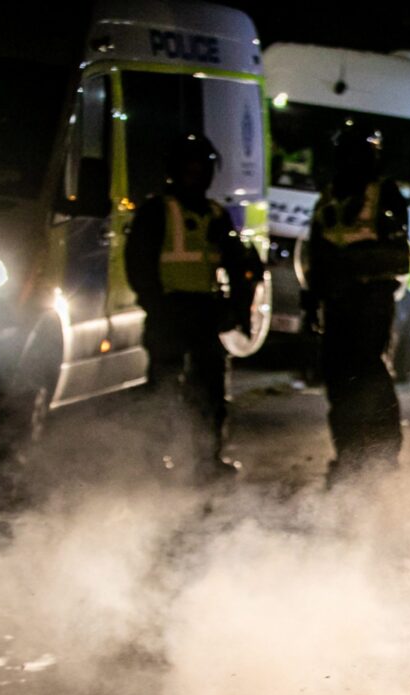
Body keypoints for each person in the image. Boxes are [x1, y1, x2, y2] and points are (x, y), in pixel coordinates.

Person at [124, 133, 260, 481]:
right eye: (190, 167)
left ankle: (206, 459)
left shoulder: (216, 215)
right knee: (163, 387)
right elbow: (138, 262)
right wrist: (155, 303)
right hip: (168, 311)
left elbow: (238, 266)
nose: (196, 174)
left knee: (210, 389)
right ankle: (154, 460)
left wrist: (236, 309)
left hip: (203, 312)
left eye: (202, 167)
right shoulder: (157, 211)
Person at [301, 125, 410, 484]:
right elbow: (316, 251)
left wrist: (353, 263)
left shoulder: (385, 195)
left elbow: (398, 257)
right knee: (339, 380)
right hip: (336, 304)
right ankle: (348, 456)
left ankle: (382, 454)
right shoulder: (329, 197)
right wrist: (312, 299)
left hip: (369, 301)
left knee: (369, 375)